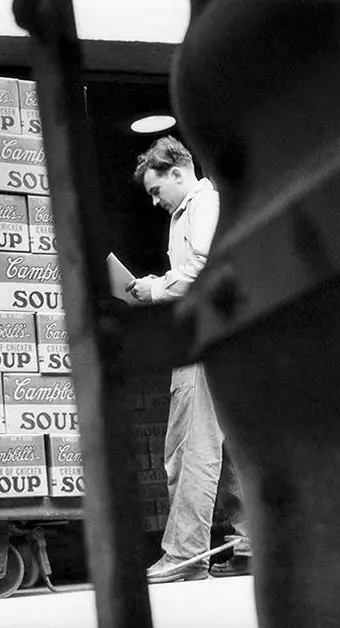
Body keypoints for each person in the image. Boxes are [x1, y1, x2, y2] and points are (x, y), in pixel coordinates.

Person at [126, 135, 250, 583]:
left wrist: (153, 287)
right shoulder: (193, 209)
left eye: (157, 189)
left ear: (178, 172)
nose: (155, 201)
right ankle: (252, 544)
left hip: (205, 341)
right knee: (232, 446)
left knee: (187, 448)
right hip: (223, 337)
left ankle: (185, 554)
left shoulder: (201, 205)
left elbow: (202, 270)